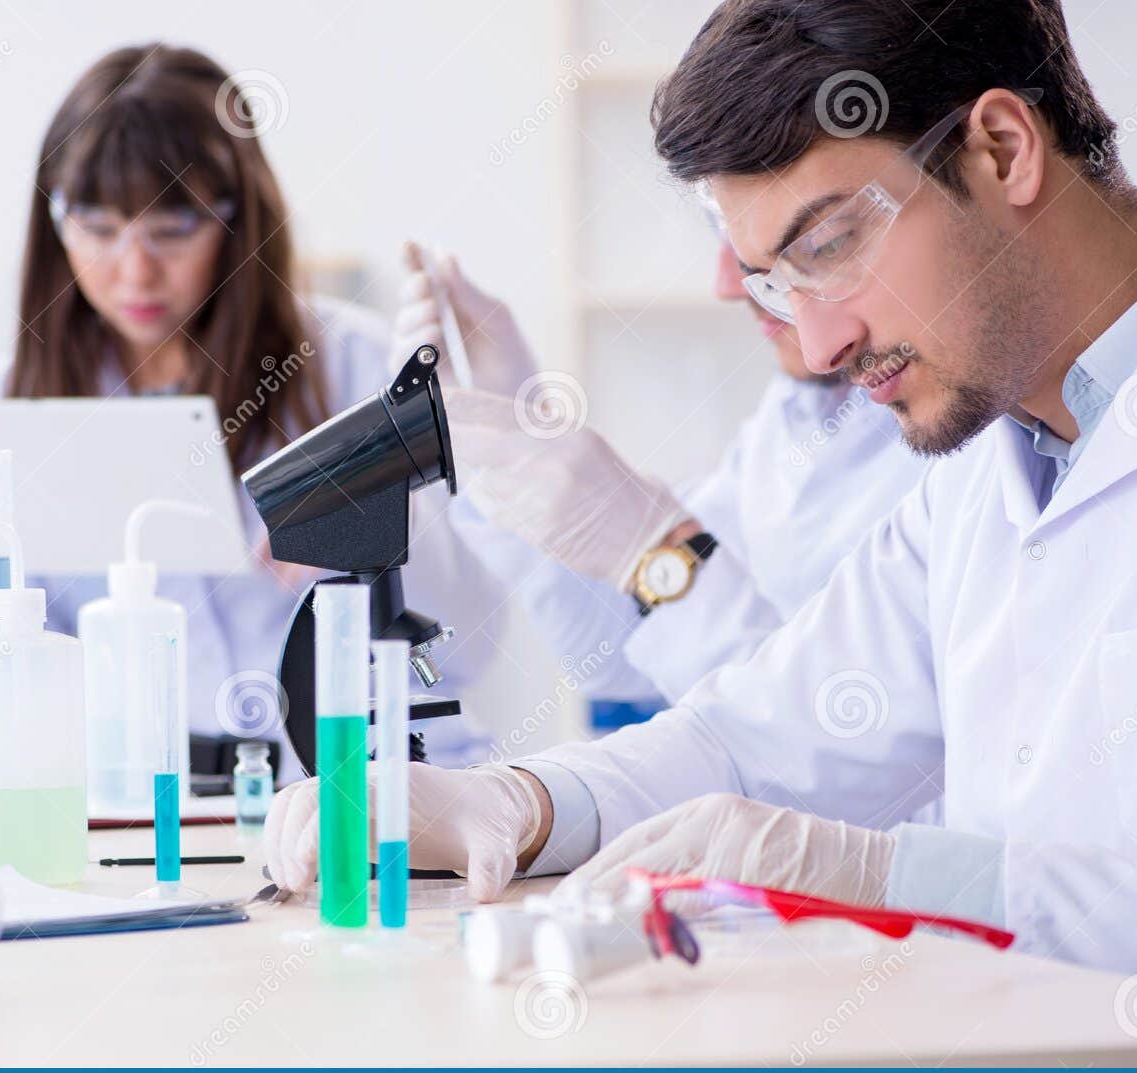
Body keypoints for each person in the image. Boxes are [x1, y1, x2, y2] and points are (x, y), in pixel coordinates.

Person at [268, 0, 1137, 984]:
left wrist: (892, 877)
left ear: (1004, 149)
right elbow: (753, 739)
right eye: (772, 286)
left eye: (829, 245)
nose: (818, 345)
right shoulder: (986, 464)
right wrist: (514, 803)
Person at [0, 44, 504, 767]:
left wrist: (374, 544)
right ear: (53, 222)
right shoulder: (1, 407)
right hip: (135, 811)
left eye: (171, 229)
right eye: (96, 228)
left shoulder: (356, 368)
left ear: (239, 219)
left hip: (363, 785)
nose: (134, 270)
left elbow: (474, 641)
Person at [393, 229, 927, 715]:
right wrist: (505, 444)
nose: (727, 284)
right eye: (718, 233)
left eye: (814, 238)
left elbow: (831, 734)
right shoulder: (795, 413)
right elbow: (618, 665)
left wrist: (657, 552)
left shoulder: (943, 433)